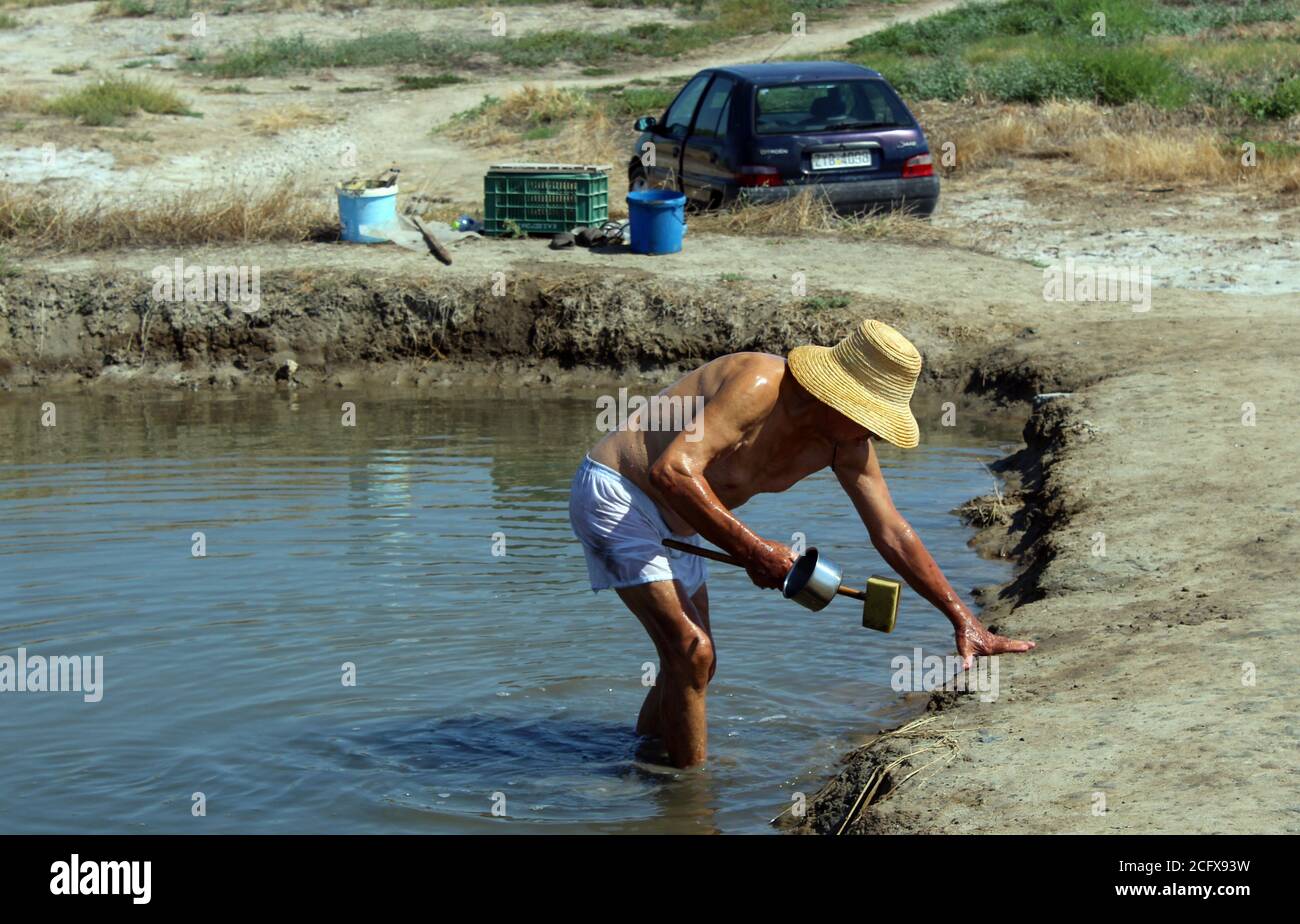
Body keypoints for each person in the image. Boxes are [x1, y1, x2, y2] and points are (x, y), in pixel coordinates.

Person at [569, 319, 1034, 768]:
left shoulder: (844, 443)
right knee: (693, 651)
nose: (872, 434)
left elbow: (892, 530)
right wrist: (753, 551)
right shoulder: (758, 386)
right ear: (839, 397)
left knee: (694, 664)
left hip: (684, 519)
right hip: (620, 494)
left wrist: (963, 619)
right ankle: (692, 811)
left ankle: (650, 760)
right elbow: (671, 472)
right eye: (869, 418)